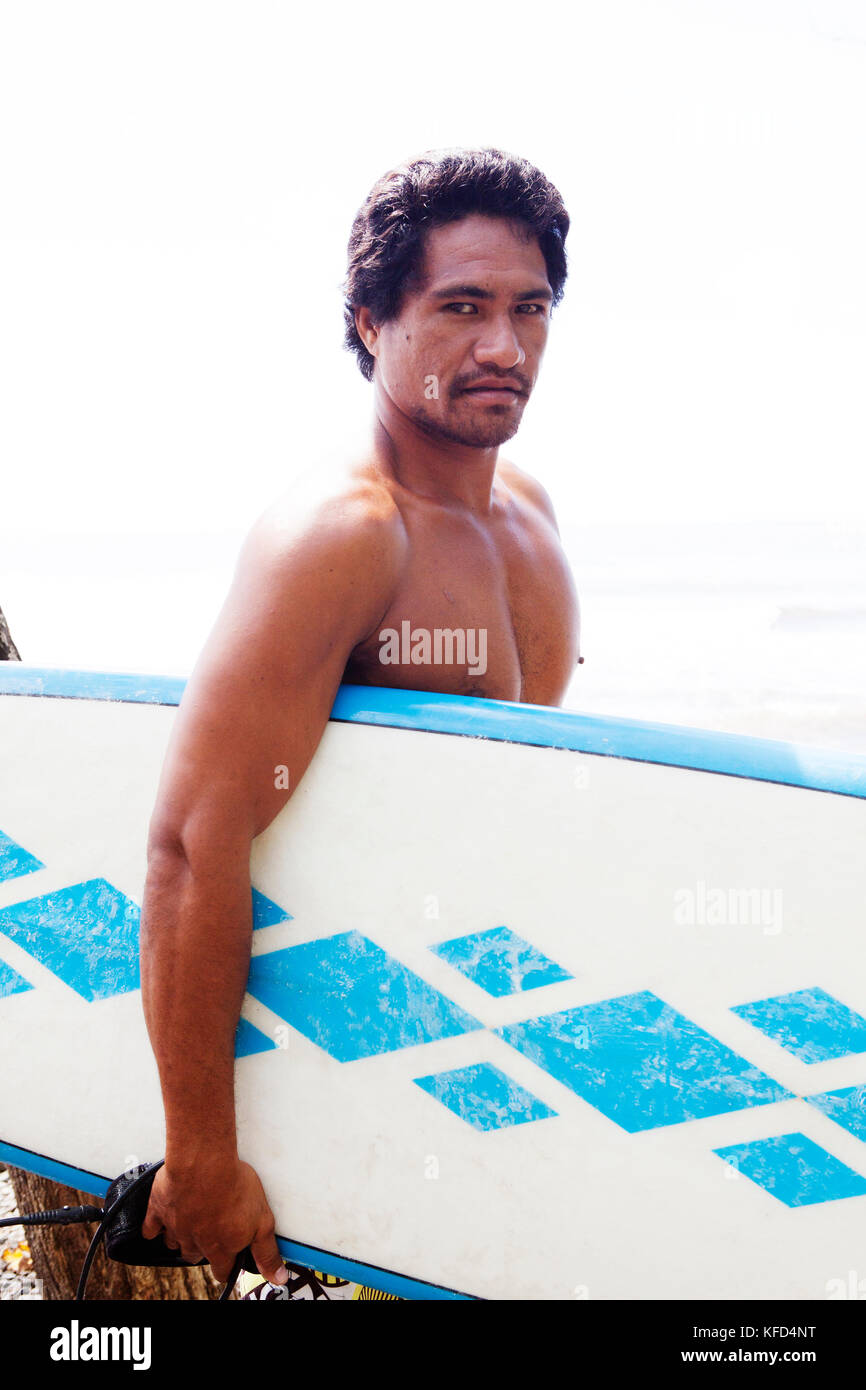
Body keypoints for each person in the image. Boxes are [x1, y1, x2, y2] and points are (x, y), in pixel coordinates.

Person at [140, 146, 581, 1299]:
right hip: (341, 1104)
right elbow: (193, 841)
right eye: (461, 308)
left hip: (475, 1071)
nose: (503, 346)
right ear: (371, 323)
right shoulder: (343, 538)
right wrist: (200, 1157)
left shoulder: (527, 516)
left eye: (529, 308)